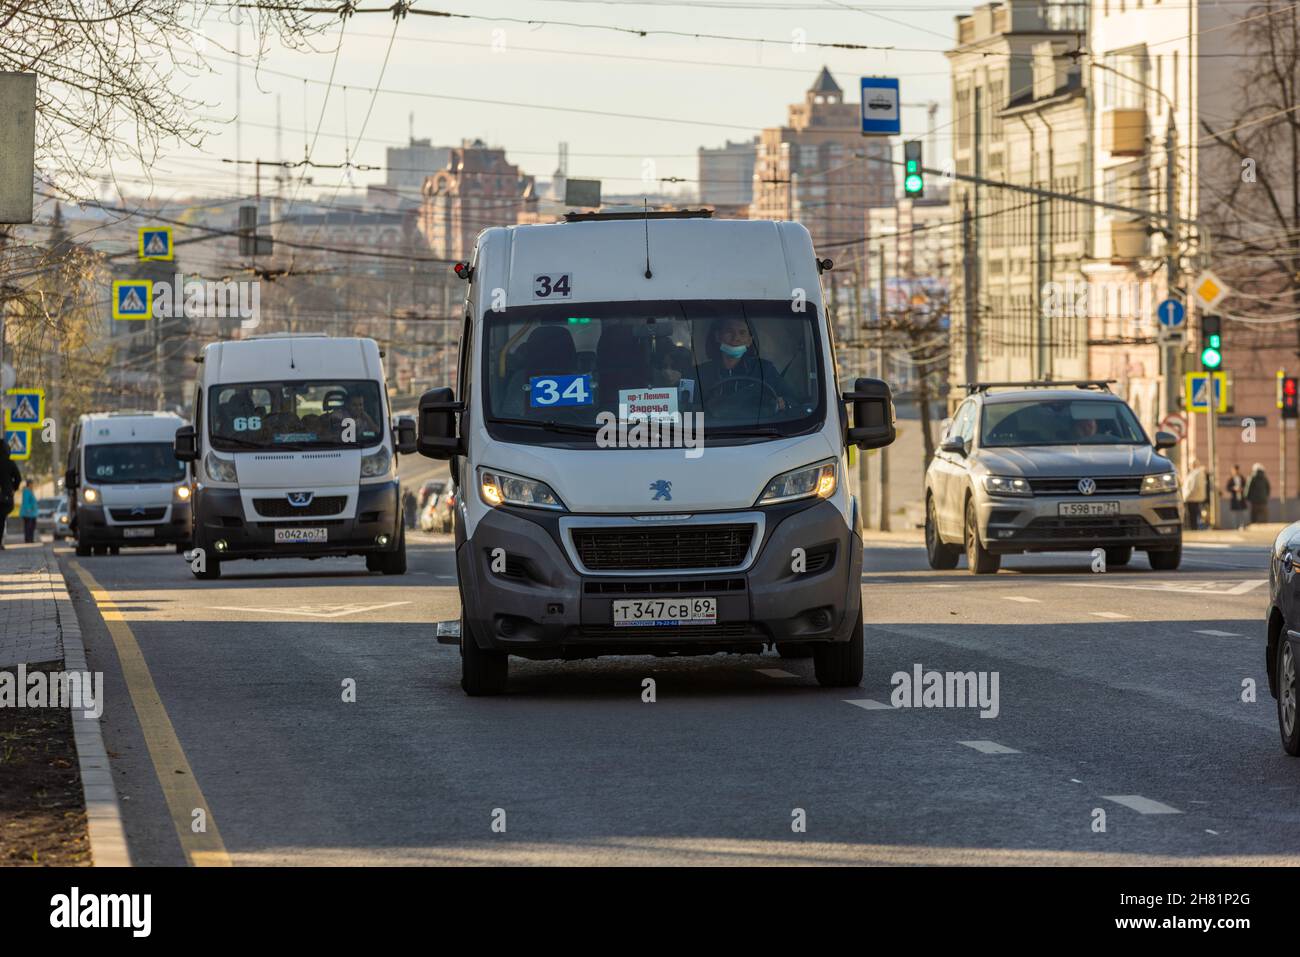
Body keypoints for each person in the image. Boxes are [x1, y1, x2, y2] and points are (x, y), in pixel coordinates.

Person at [696, 316, 798, 416]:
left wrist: (783, 403)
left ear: (749, 341)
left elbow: (793, 401)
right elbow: (688, 410)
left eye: (742, 333)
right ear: (718, 336)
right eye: (729, 331)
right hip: (712, 430)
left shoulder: (765, 370)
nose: (736, 338)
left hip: (758, 430)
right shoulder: (700, 372)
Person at [0, 444, 20, 550]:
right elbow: (18, 478)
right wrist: (13, 488)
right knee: (1, 520)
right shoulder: (9, 463)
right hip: (5, 497)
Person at [1182, 458, 1207, 530]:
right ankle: (1194, 528)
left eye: (1191, 464)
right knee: (1194, 515)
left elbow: (1193, 487)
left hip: (1192, 498)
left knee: (1193, 515)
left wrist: (1186, 496)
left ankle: (1194, 529)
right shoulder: (1195, 473)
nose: (1189, 466)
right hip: (1193, 497)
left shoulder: (1196, 473)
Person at [1245, 462, 1271, 527]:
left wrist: (1246, 497)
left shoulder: (1252, 477)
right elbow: (1268, 488)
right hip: (1263, 501)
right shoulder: (1265, 478)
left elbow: (1248, 488)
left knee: (1254, 516)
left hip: (1254, 501)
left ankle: (1254, 529)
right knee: (1263, 516)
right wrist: (1266, 497)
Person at [1226, 464, 1247, 530]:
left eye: (1237, 470)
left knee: (1242, 513)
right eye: (1234, 470)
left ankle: (1242, 526)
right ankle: (1235, 527)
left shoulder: (1242, 478)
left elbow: (1246, 486)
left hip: (1241, 498)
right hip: (1234, 498)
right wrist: (1234, 488)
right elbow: (1228, 488)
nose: (1235, 471)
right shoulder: (1231, 479)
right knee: (1234, 514)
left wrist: (1242, 489)